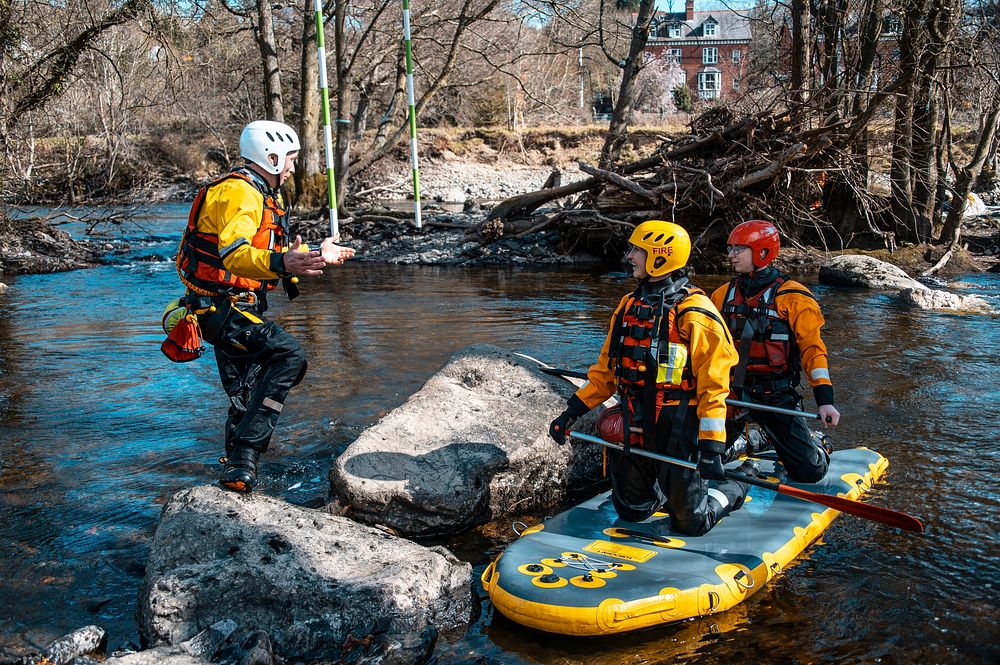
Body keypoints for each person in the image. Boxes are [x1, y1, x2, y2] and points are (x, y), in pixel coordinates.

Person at [174, 120, 355, 493]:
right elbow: (235, 255)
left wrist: (313, 254)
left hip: (233, 308)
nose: (292, 167)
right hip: (220, 309)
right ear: (270, 158)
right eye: (289, 159)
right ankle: (244, 460)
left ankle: (236, 476)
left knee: (244, 395)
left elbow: (267, 252)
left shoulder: (260, 191)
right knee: (290, 356)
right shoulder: (239, 194)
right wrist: (283, 264)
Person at [548, 220, 754, 537]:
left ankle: (737, 477)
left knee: (692, 524)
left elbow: (715, 388)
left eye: (636, 250)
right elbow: (605, 373)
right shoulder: (629, 305)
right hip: (635, 423)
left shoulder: (695, 311)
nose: (629, 256)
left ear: (660, 256)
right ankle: (667, 488)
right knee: (633, 511)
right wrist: (569, 414)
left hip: (678, 426)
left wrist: (712, 449)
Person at [710, 220, 839, 483]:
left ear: (762, 252)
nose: (731, 255)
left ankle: (814, 443)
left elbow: (813, 351)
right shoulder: (722, 295)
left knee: (808, 473)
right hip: (732, 395)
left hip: (776, 395)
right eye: (730, 248)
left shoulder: (794, 297)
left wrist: (825, 398)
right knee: (705, 456)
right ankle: (754, 438)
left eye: (739, 249)